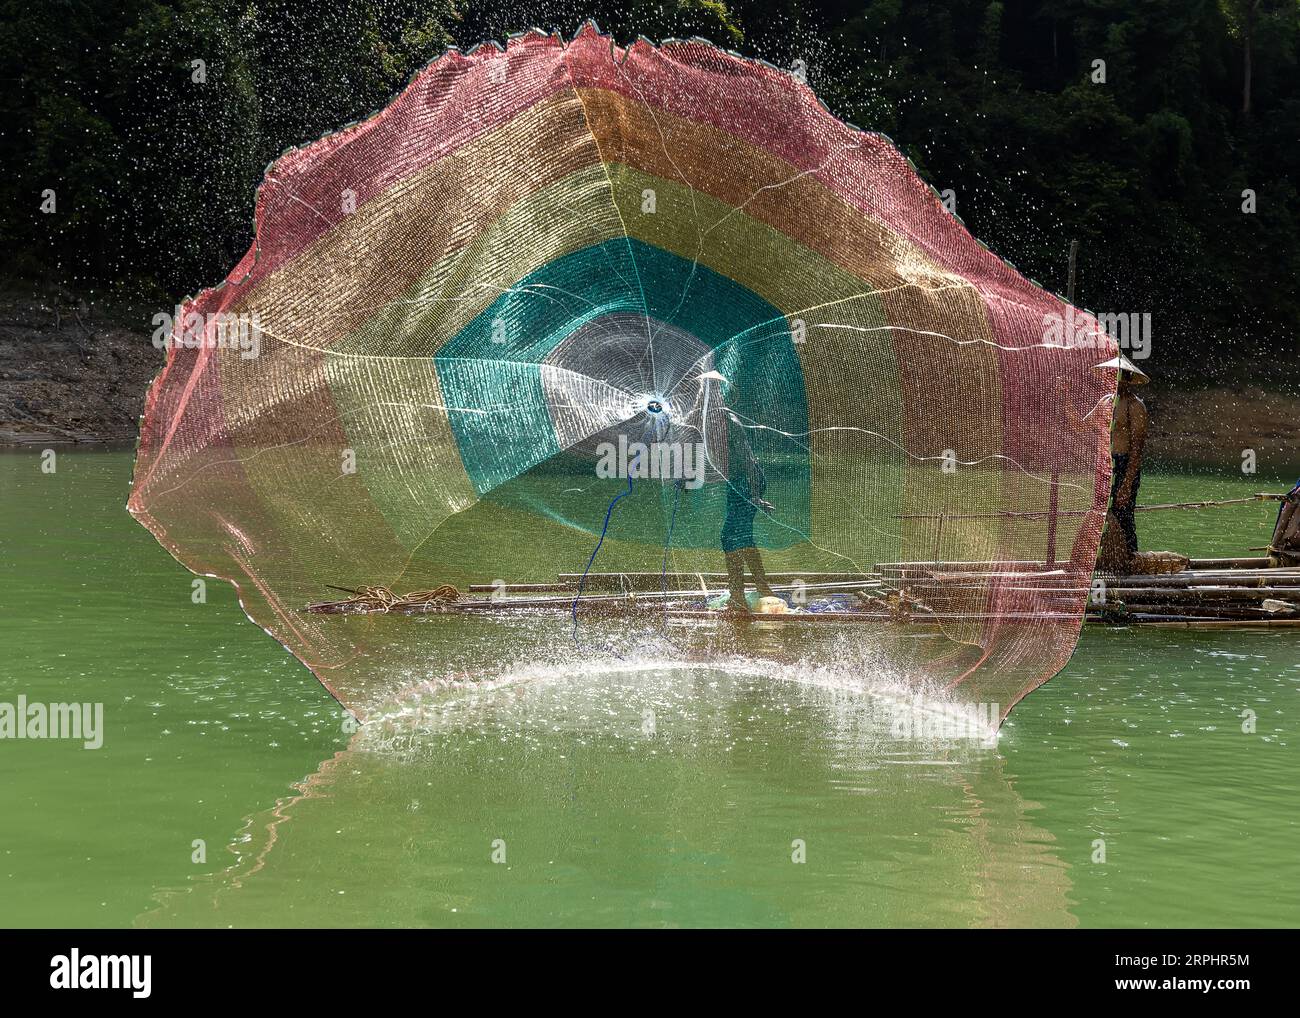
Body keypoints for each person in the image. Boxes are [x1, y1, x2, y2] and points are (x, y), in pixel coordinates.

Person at [719, 409, 776, 614]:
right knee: (742, 538)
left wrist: (755, 496)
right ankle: (763, 589)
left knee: (729, 537)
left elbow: (748, 459)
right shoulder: (711, 422)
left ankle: (738, 598)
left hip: (746, 482)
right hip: (735, 483)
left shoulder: (729, 421)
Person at [1101, 354, 1150, 563]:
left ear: (1127, 378)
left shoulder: (1135, 406)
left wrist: (1127, 484)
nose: (1114, 379)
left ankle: (1129, 561)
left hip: (1124, 464)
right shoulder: (1106, 402)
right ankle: (1108, 560)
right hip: (1106, 464)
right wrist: (1065, 399)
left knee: (1123, 515)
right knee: (1102, 515)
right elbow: (1083, 426)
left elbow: (1137, 449)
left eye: (1118, 375)